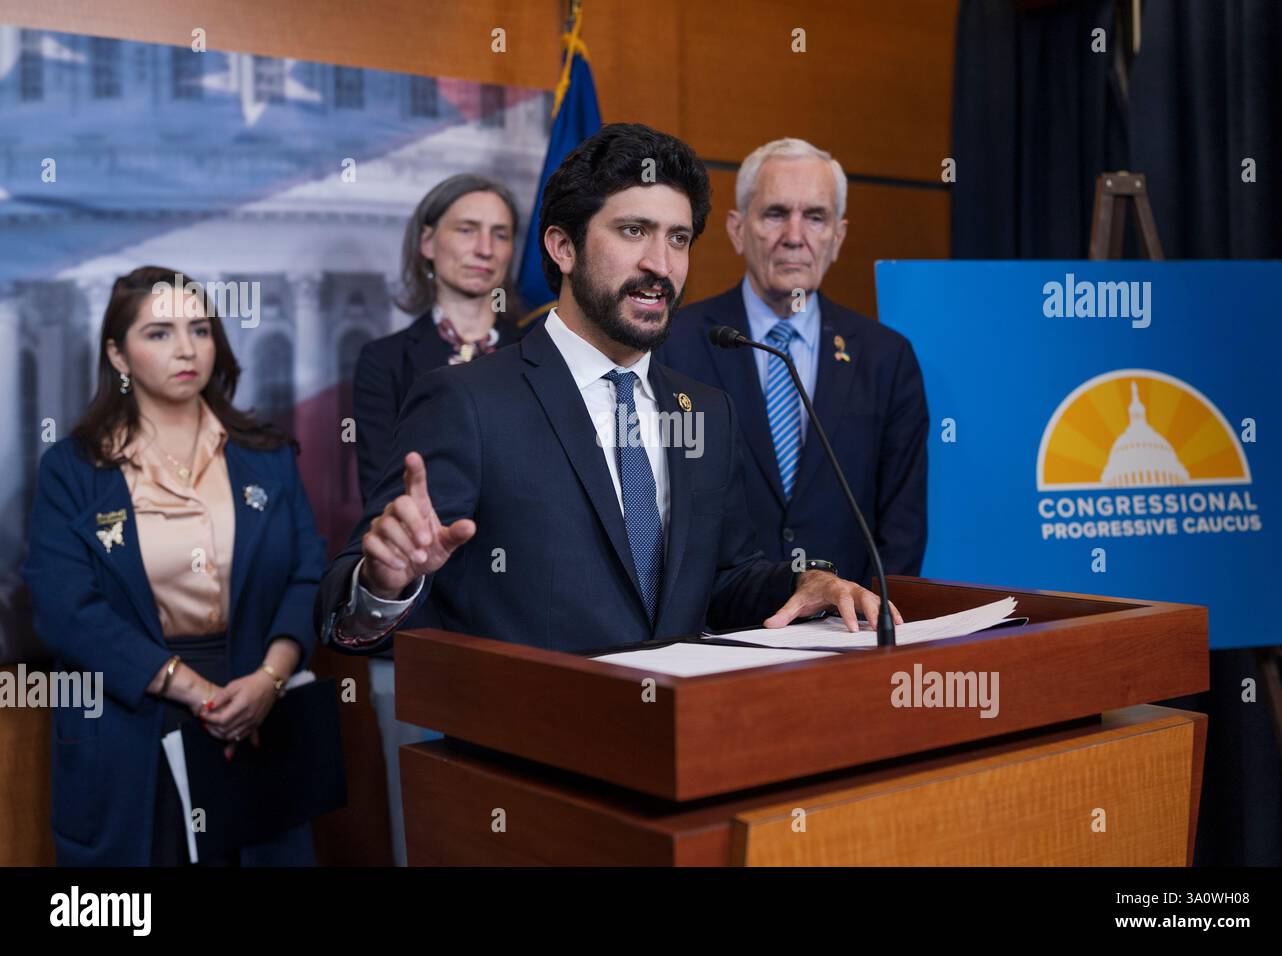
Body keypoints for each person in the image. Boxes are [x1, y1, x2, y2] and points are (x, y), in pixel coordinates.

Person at [314, 123, 901, 664]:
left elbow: (723, 580)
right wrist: (384, 584)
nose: (660, 264)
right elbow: (343, 609)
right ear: (562, 248)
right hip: (525, 761)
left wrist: (803, 584)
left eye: (677, 238)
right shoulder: (467, 402)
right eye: (633, 231)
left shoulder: (705, 411)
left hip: (679, 751)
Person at [23, 266, 327, 866]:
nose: (186, 349)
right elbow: (64, 612)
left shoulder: (267, 456)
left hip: (255, 698)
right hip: (134, 710)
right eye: (159, 333)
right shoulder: (74, 468)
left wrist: (268, 680)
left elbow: (307, 576)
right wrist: (197, 694)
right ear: (118, 354)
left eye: (200, 330)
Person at [656, 137, 929, 584]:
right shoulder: (674, 343)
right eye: (776, 214)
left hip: (847, 632)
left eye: (815, 217)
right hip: (714, 635)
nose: (795, 237)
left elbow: (902, 529)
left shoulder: (886, 359)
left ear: (838, 237)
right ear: (737, 229)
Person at [350, 173, 522, 866]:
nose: (485, 248)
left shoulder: (540, 352)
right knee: (427, 836)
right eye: (466, 228)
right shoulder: (385, 362)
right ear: (426, 242)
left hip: (527, 633)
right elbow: (384, 501)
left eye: (502, 233)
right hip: (424, 637)